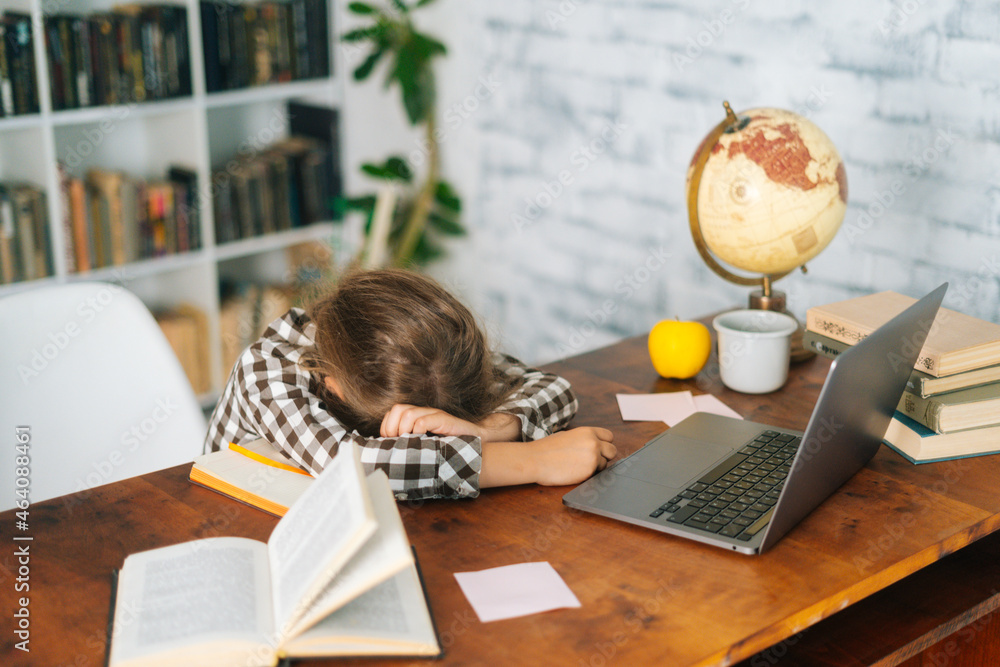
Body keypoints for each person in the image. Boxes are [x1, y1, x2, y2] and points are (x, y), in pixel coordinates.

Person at [205, 268, 616, 500]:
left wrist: (489, 429)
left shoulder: (428, 350)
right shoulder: (266, 369)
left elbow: (550, 387)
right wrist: (535, 461)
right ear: (333, 385)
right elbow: (352, 467)